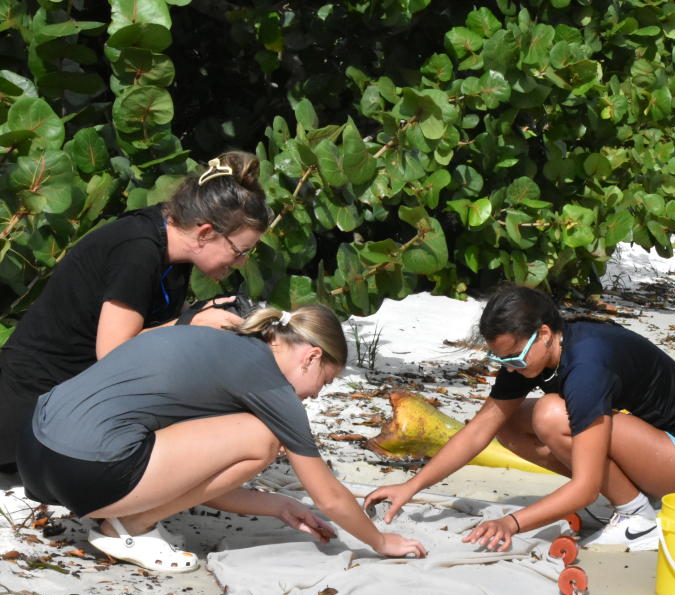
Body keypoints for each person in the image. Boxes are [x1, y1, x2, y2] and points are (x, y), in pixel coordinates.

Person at [16, 304, 427, 572]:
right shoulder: (269, 385)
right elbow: (328, 497)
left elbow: (192, 477)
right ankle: (126, 527)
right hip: (83, 472)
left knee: (247, 437)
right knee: (264, 438)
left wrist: (277, 505)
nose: (317, 393)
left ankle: (125, 519)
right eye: (325, 380)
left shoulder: (217, 338)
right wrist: (380, 541)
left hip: (34, 451)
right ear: (311, 356)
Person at [364, 286, 675, 553]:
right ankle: (630, 500)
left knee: (550, 414)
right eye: (500, 359)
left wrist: (511, 523)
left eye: (515, 358)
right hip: (650, 448)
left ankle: (637, 519)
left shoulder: (586, 367)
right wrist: (411, 487)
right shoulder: (527, 357)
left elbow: (585, 487)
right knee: (508, 420)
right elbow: (478, 433)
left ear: (545, 335)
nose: (508, 368)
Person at [0, 151, 270, 471]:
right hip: (31, 400)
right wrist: (192, 321)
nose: (240, 263)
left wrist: (204, 313)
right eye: (240, 251)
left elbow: (150, 316)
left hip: (66, 400)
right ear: (205, 233)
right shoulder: (137, 249)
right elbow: (113, 350)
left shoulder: (170, 243)